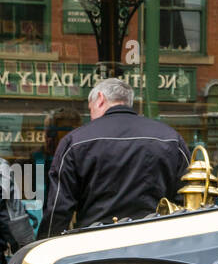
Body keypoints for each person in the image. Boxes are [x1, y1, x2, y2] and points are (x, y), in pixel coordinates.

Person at [38, 78, 188, 238]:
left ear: (101, 99)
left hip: (94, 245)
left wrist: (44, 247)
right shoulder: (171, 139)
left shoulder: (75, 141)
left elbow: (58, 210)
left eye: (90, 109)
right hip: (154, 244)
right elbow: (185, 199)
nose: (91, 116)